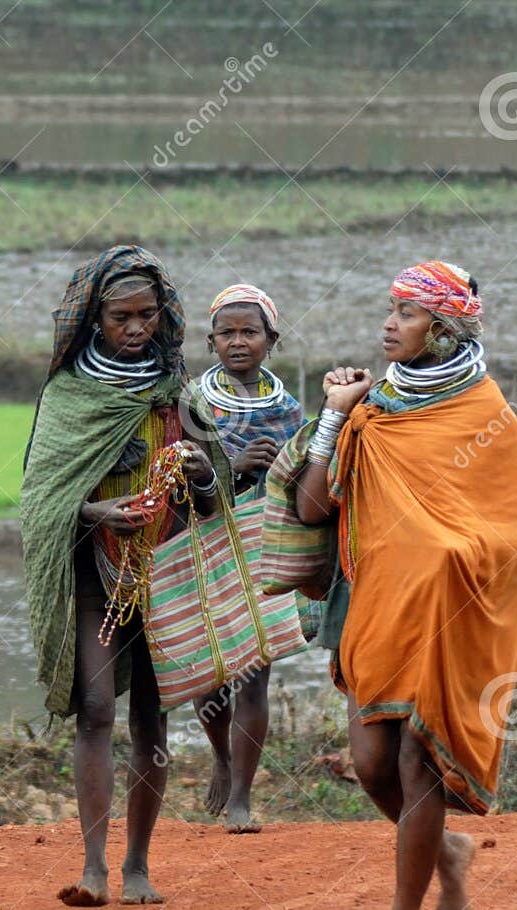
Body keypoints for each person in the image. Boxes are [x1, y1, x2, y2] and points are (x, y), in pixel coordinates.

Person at [294, 261, 517, 910]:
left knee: (417, 757)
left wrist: (453, 553)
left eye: (405, 313)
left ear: (441, 328)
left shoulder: (484, 412)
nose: (388, 324)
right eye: (390, 310)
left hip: (452, 619)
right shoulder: (374, 407)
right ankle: (448, 852)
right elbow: (313, 506)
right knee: (372, 763)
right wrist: (335, 415)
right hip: (377, 612)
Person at [20, 244, 230, 908]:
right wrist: (93, 507)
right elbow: (39, 497)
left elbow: (217, 489)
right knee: (97, 708)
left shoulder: (178, 395)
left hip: (164, 569)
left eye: (147, 315)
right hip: (96, 568)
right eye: (120, 317)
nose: (135, 328)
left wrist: (200, 476)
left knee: (152, 719)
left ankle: (138, 863)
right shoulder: (68, 396)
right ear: (93, 320)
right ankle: (93, 866)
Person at [188, 283, 304, 834]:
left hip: (264, 547)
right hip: (200, 545)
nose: (239, 341)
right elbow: (173, 473)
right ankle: (221, 753)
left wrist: (279, 466)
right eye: (228, 332)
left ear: (270, 339)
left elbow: (306, 478)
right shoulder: (191, 405)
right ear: (211, 342)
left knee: (254, 672)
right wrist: (230, 464)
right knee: (208, 671)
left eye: (249, 331)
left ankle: (241, 796)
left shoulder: (289, 411)